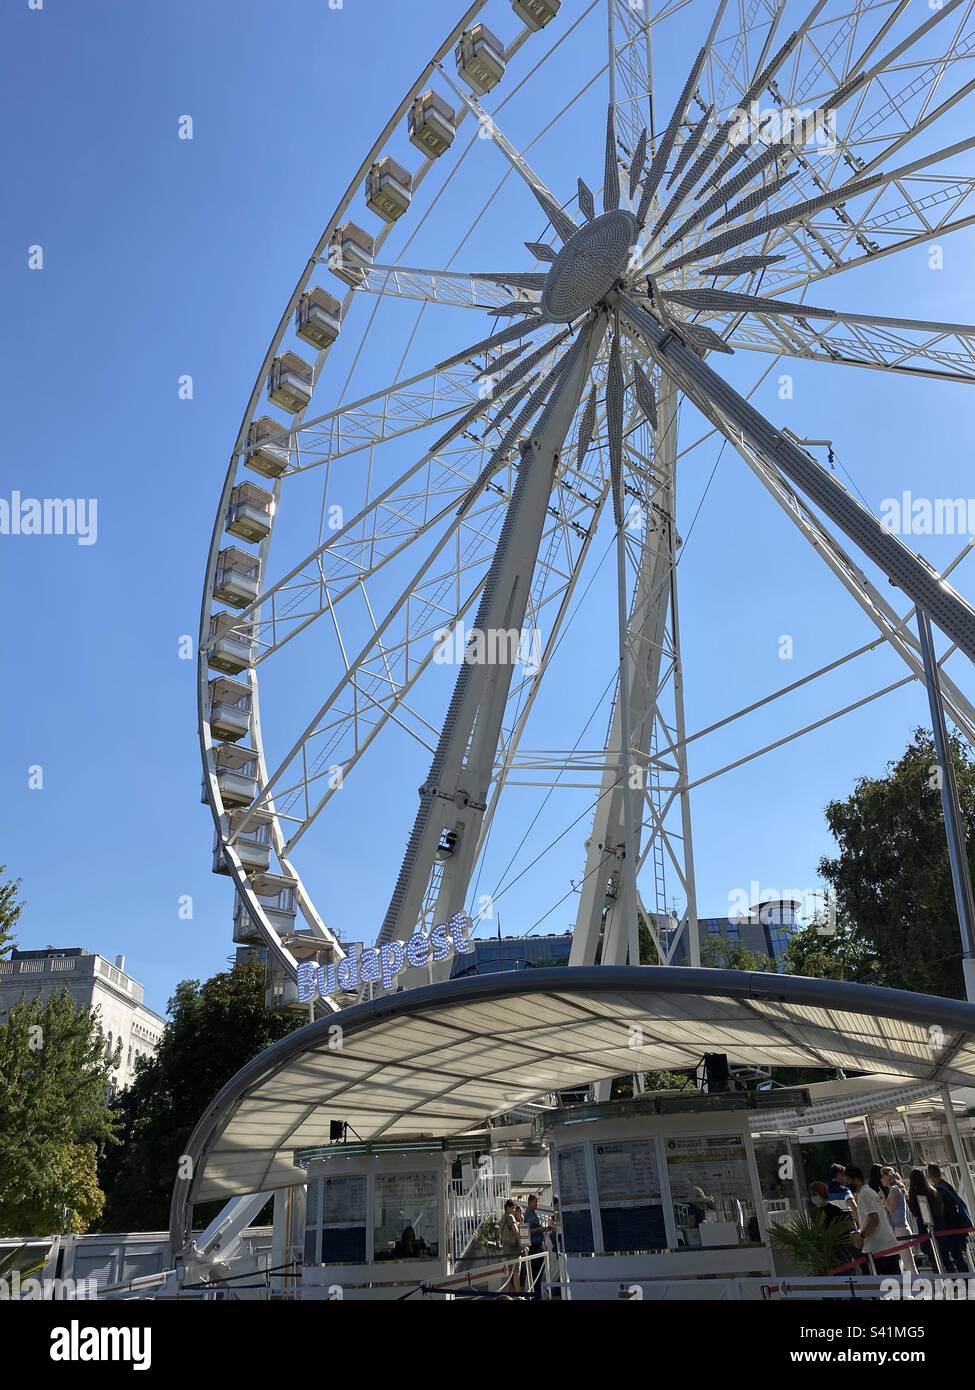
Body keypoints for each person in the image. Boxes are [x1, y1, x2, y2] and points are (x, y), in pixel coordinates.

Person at [846, 1165, 901, 1275]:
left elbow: (874, 1219)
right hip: (884, 1247)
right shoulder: (867, 1192)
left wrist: (861, 1236)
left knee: (877, 1286)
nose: (847, 1184)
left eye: (848, 1181)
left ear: (855, 1180)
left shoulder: (865, 1194)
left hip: (878, 1249)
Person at [927, 1163, 972, 1274]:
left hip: (949, 1227)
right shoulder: (946, 1185)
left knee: (957, 1257)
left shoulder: (939, 1190)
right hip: (957, 1225)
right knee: (960, 1256)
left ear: (929, 1175)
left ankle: (967, 1282)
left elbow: (942, 1210)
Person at [907, 1168, 945, 1271]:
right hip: (937, 1224)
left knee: (932, 1256)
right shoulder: (931, 1191)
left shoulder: (915, 1194)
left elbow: (914, 1212)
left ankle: (940, 1280)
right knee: (943, 1256)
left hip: (924, 1225)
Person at [881, 1167, 917, 1274]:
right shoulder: (896, 1189)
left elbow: (892, 1208)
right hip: (901, 1228)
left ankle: (920, 1285)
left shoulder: (894, 1190)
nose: (881, 1179)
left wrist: (883, 1198)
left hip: (900, 1229)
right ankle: (915, 1285)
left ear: (888, 1176)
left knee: (909, 1264)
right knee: (907, 1264)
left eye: (882, 1176)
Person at [523, 1193, 546, 1299]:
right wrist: (538, 1229)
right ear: (530, 1202)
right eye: (536, 1201)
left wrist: (544, 1228)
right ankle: (536, 1296)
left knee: (540, 1272)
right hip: (533, 1247)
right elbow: (526, 1231)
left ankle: (538, 1295)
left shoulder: (534, 1213)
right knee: (535, 1273)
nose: (538, 1203)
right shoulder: (527, 1215)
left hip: (539, 1245)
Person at [499, 1199, 523, 1293]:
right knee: (516, 1273)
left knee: (509, 1274)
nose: (514, 1210)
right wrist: (522, 1244)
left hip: (506, 1249)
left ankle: (509, 1294)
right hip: (514, 1250)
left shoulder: (503, 1218)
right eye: (513, 1208)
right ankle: (517, 1294)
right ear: (508, 1208)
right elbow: (516, 1231)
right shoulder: (510, 1217)